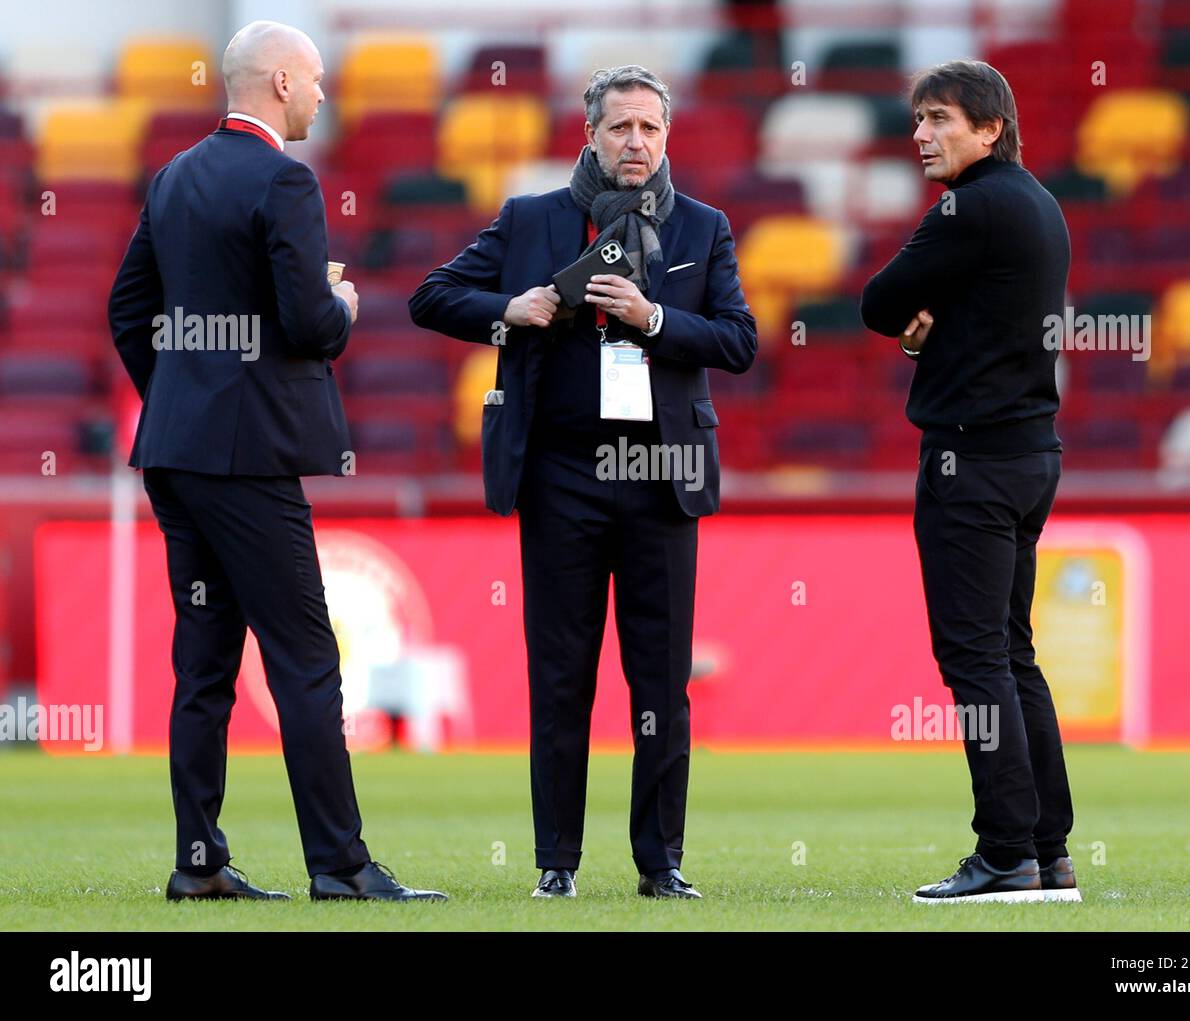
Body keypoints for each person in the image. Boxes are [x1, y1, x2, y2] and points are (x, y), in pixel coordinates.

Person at [108, 20, 445, 902]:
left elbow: (126, 306)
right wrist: (342, 300)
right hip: (249, 458)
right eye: (318, 79)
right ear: (284, 84)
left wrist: (182, 393)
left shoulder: (174, 176)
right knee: (304, 657)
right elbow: (306, 325)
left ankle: (199, 862)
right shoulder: (286, 181)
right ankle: (340, 865)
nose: (326, 95)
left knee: (205, 661)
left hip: (177, 454)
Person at [410, 65, 756, 899]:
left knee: (660, 680)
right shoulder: (531, 220)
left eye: (649, 129)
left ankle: (660, 863)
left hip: (661, 476)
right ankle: (554, 864)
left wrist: (655, 320)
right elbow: (431, 296)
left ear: (666, 137)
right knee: (561, 675)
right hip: (560, 476)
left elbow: (739, 340)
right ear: (590, 135)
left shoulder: (703, 228)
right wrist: (512, 308)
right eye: (619, 129)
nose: (635, 143)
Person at [860, 59, 1080, 904]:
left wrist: (919, 329)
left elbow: (881, 302)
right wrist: (938, 332)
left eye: (941, 119)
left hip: (972, 461)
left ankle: (1005, 854)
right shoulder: (1038, 203)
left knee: (975, 658)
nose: (922, 134)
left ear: (991, 128)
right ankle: (1048, 850)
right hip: (1030, 453)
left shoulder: (968, 205)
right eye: (918, 119)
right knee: (1014, 653)